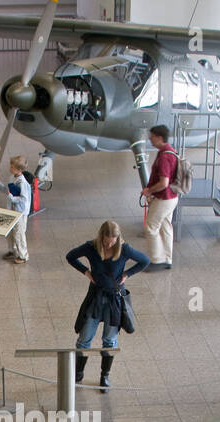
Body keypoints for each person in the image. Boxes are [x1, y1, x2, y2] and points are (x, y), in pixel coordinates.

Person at [66, 220, 150, 391]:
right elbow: (70, 256)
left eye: (112, 240)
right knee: (84, 339)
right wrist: (86, 272)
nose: (109, 243)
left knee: (109, 340)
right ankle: (79, 373)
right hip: (95, 297)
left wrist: (127, 274)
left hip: (114, 300)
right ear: (101, 236)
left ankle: (105, 376)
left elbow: (144, 261)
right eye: (106, 240)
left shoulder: (124, 249)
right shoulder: (91, 247)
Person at [139, 124, 178, 270]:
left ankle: (157, 260)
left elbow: (164, 183)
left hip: (164, 198)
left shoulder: (164, 157)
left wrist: (149, 190)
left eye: (152, 136)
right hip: (172, 197)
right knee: (166, 226)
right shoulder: (169, 151)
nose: (150, 138)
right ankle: (167, 258)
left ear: (159, 137)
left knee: (151, 226)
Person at [0, 155, 31, 263]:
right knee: (10, 232)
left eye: (12, 167)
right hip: (11, 210)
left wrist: (12, 197)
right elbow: (6, 189)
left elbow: (23, 199)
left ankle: (23, 255)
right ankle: (12, 250)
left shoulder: (22, 183)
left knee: (19, 233)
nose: (10, 169)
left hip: (20, 212)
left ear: (19, 169)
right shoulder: (12, 177)